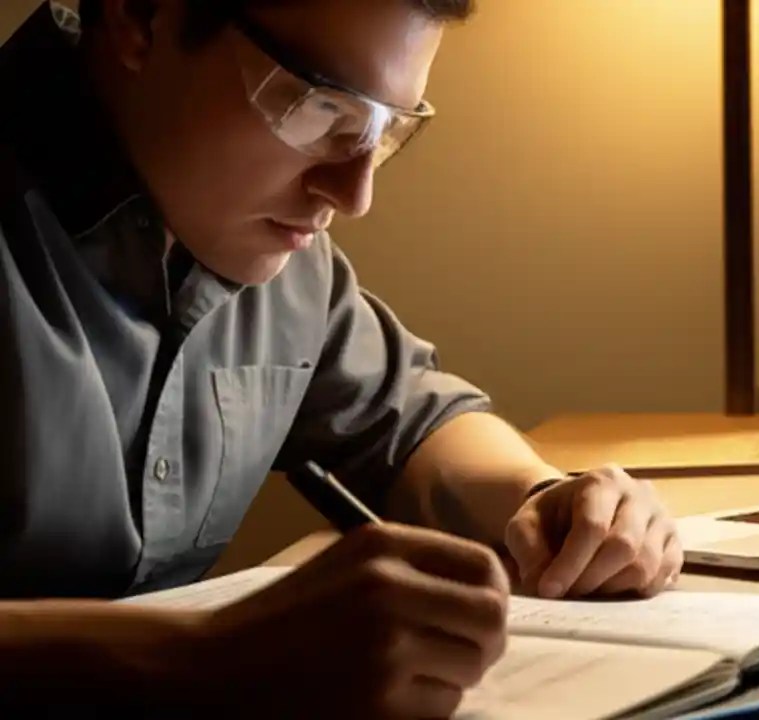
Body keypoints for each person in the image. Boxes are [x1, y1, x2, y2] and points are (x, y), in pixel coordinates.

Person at [0, 0, 683, 716]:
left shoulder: (270, 255)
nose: (354, 196)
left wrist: (546, 502)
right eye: (317, 110)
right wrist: (198, 657)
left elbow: (408, 420)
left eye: (383, 132)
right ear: (138, 17)